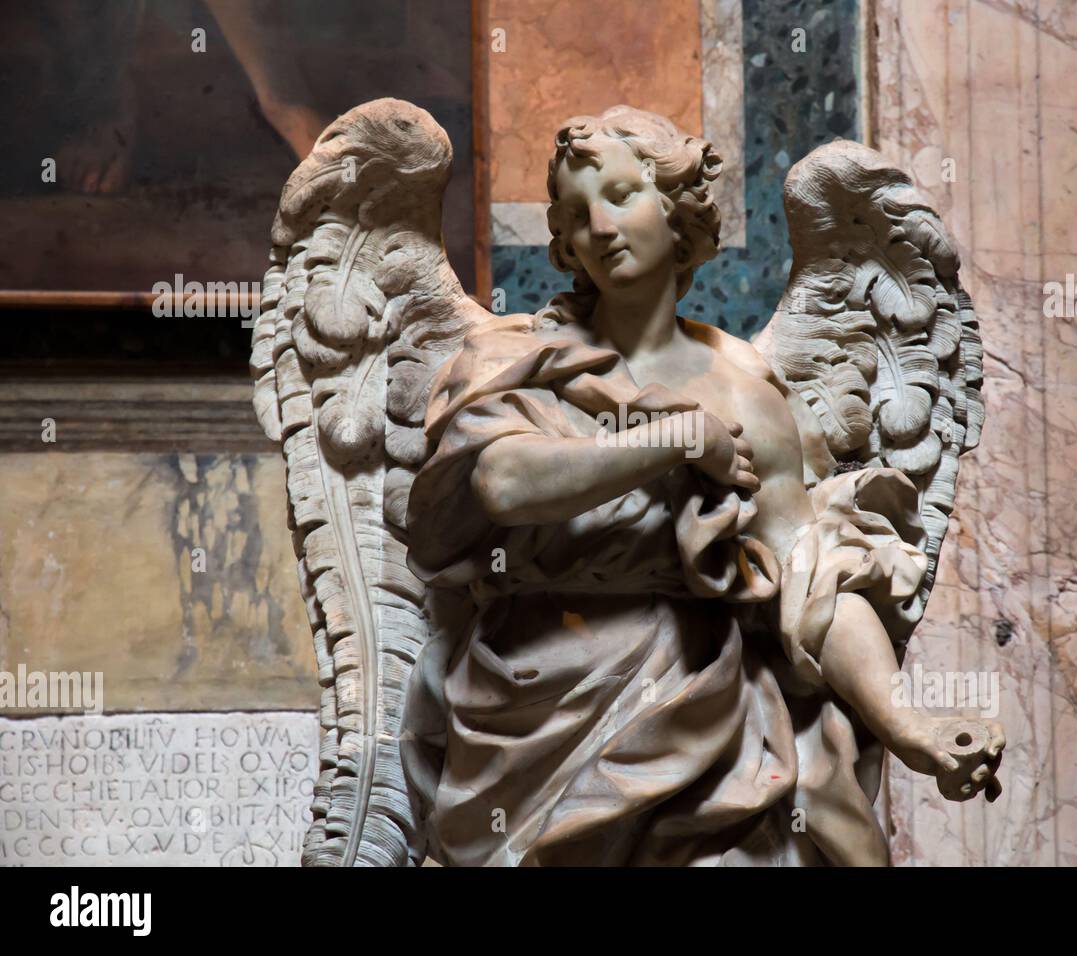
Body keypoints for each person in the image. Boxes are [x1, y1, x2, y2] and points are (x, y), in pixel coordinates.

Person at [402, 106, 1002, 866]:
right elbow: (505, 483)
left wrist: (907, 723)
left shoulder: (746, 388)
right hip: (530, 706)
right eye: (578, 213)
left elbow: (810, 584)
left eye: (622, 194)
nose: (601, 225)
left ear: (675, 204)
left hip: (704, 716)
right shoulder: (511, 358)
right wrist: (674, 440)